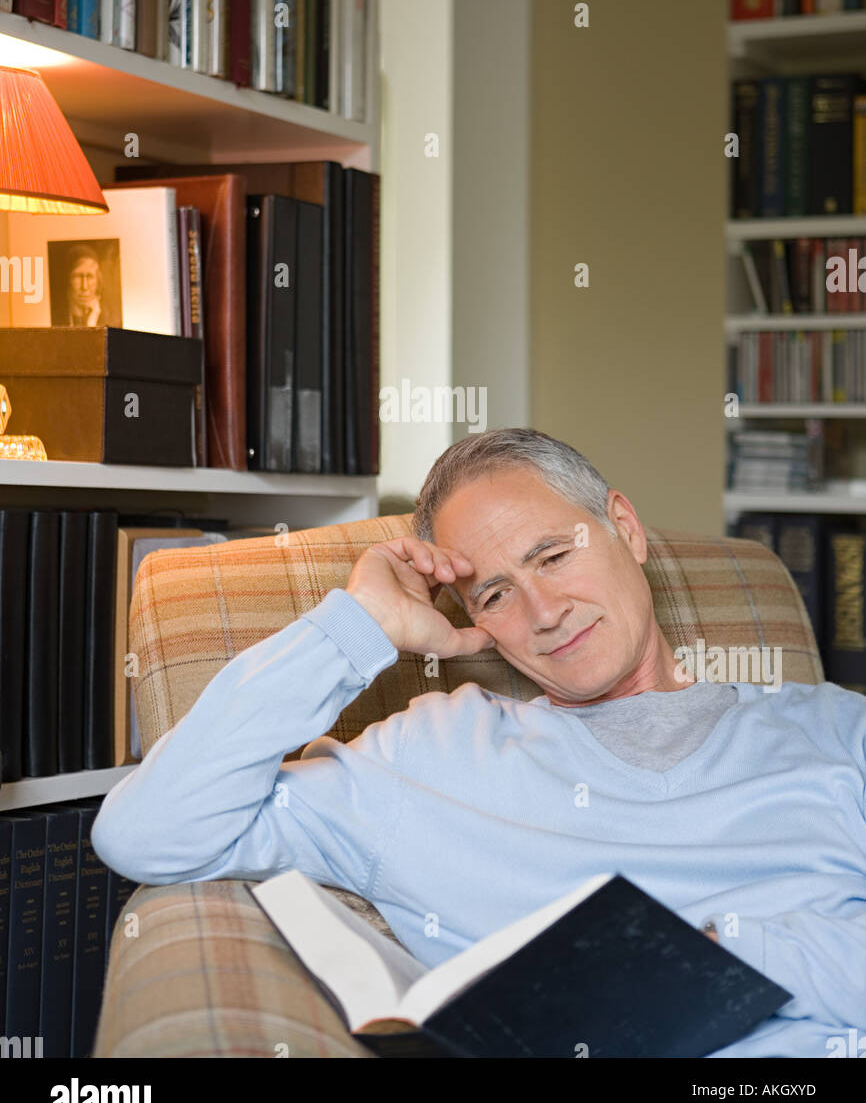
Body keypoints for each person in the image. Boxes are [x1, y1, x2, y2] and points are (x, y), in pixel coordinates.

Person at [92, 428, 866, 1058]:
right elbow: (148, 833)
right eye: (494, 594)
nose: (545, 611)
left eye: (552, 556)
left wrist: (719, 952)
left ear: (624, 528)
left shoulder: (836, 731)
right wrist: (355, 629)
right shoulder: (428, 759)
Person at [58, 244, 121, 327]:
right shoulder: (58, 313)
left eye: (90, 276)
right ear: (68, 279)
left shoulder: (112, 316)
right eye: (78, 276)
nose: (84, 287)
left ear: (98, 280)